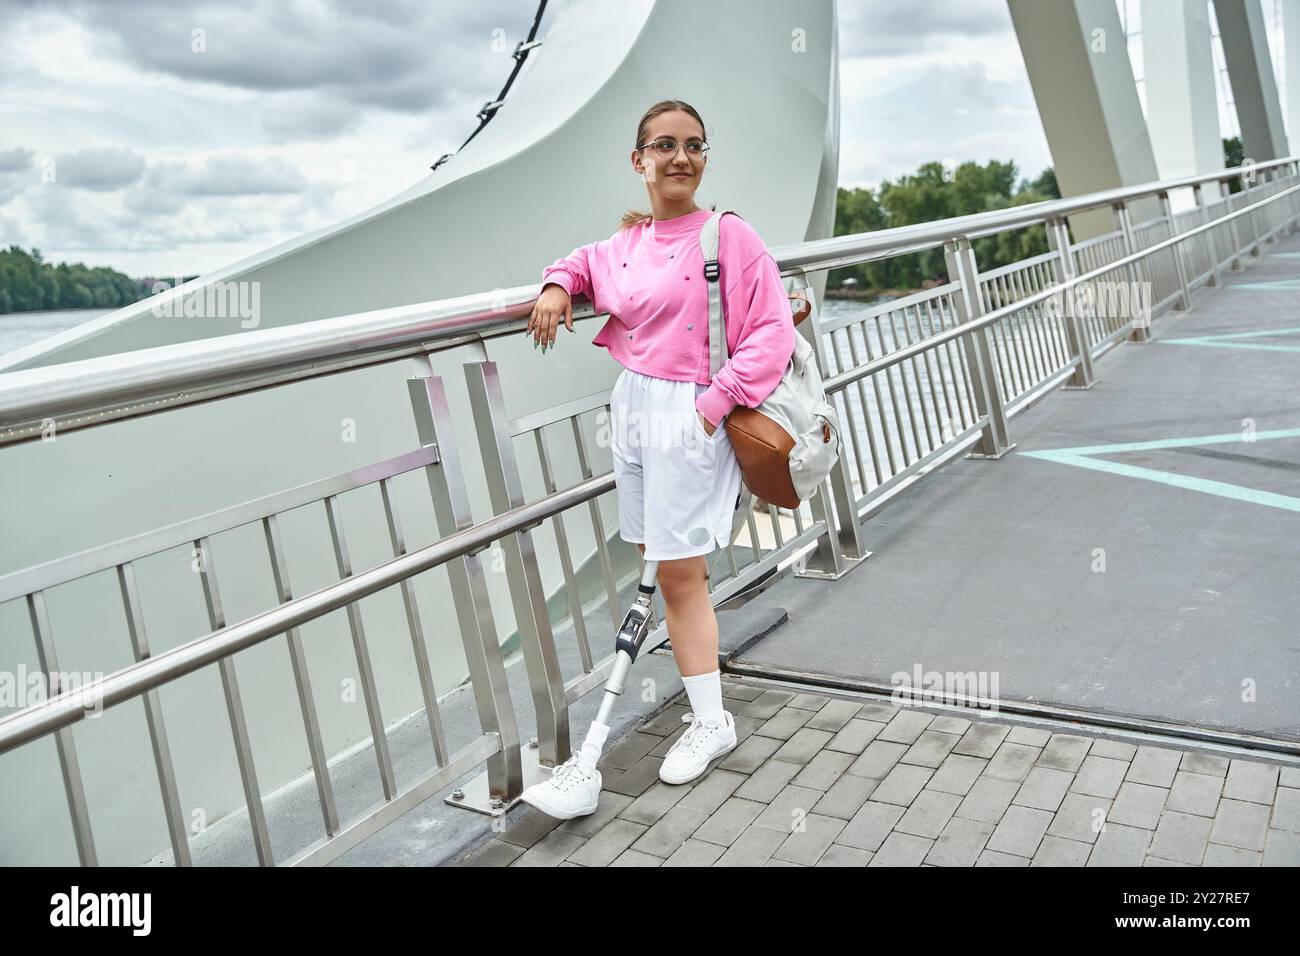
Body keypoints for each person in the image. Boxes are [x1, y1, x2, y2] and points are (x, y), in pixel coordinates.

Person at [520, 99, 795, 818]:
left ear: (705, 158)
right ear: (637, 160)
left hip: (691, 411)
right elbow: (581, 263)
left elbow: (770, 334)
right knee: (658, 560)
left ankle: (709, 722)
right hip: (635, 409)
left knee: (676, 569)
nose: (680, 158)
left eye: (694, 146)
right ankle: (703, 716)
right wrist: (557, 285)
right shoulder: (628, 245)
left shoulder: (727, 235)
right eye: (664, 146)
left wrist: (712, 405)